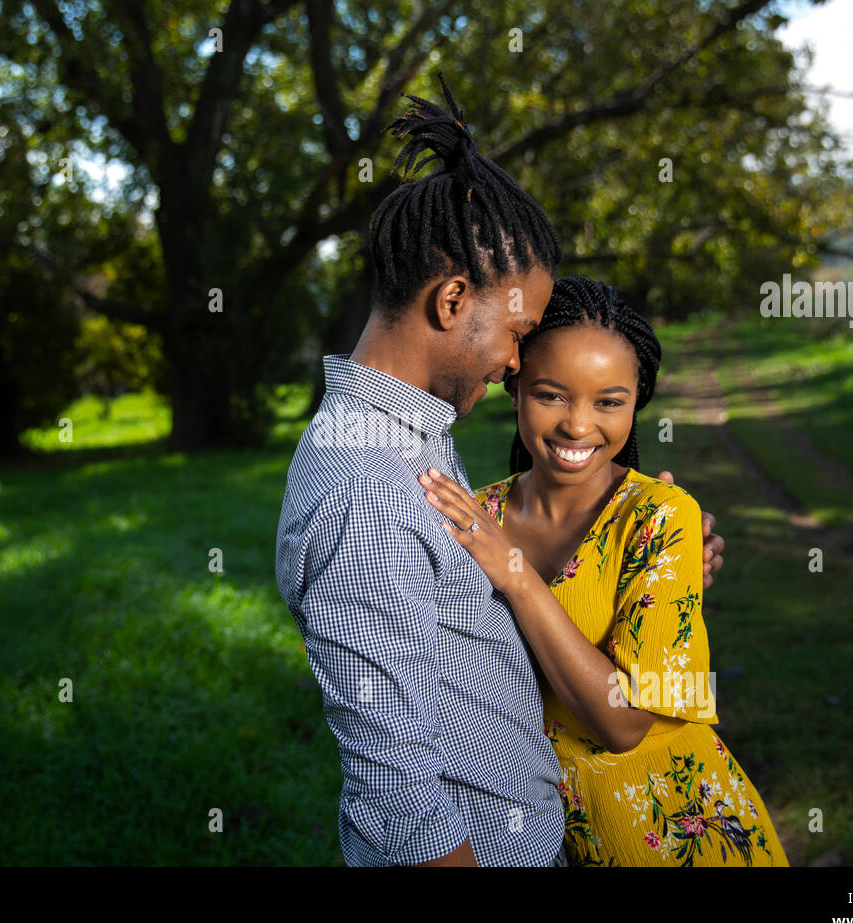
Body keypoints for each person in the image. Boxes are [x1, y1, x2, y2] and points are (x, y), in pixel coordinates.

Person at [275, 76, 724, 866]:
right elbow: (394, 785)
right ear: (452, 300)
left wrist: (639, 564)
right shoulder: (368, 489)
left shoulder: (408, 434)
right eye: (517, 332)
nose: (516, 360)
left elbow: (461, 629)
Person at [419, 276, 788, 866]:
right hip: (533, 834)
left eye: (609, 402)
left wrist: (515, 577)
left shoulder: (661, 518)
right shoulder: (475, 516)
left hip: (674, 833)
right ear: (514, 388)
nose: (577, 425)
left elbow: (624, 725)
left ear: (636, 403)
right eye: (551, 394)